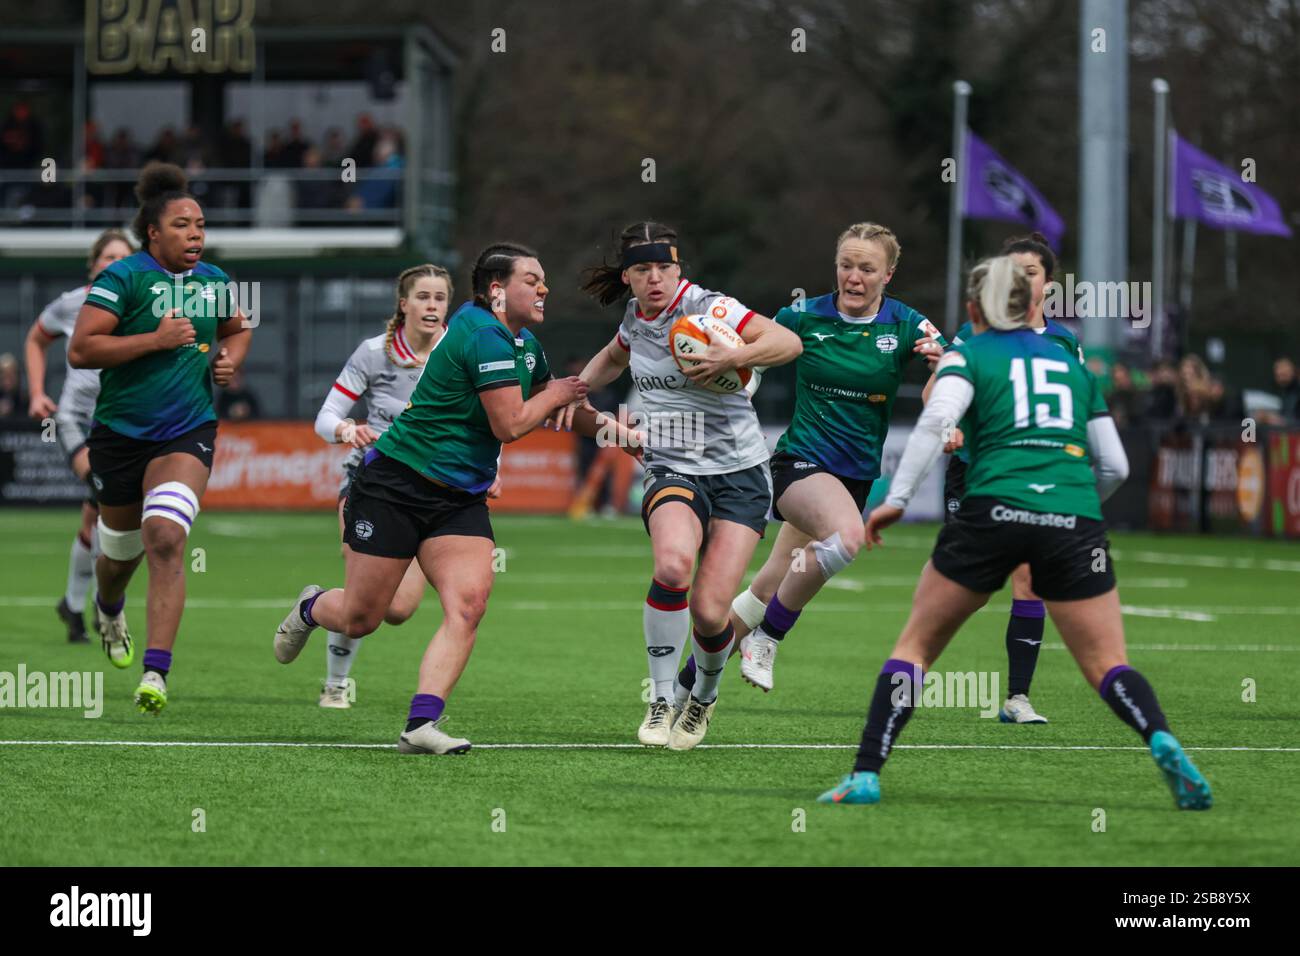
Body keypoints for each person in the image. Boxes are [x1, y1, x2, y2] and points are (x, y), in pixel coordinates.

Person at [818, 256, 1211, 811]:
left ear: (975, 309)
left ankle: (865, 775)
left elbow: (935, 422)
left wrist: (897, 501)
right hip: (1073, 521)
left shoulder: (970, 353)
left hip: (993, 510)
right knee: (1108, 664)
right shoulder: (1074, 366)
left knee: (917, 647)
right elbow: (1116, 466)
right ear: (1033, 306)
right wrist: (1073, 513)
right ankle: (1162, 739)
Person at [272, 243, 607, 755]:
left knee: (469, 604)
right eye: (532, 280)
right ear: (497, 291)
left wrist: (627, 437)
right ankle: (312, 607)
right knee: (365, 616)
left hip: (458, 499)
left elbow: (562, 409)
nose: (545, 289)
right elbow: (513, 423)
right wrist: (559, 393)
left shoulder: (524, 344)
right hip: (395, 485)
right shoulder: (483, 334)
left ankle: (420, 725)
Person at [676, 222, 943, 697]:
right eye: (846, 265)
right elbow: (748, 367)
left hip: (853, 478)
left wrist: (942, 367)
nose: (854, 277)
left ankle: (685, 689)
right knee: (846, 539)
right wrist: (727, 366)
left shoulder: (908, 324)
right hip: (799, 463)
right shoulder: (801, 316)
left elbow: (946, 390)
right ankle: (769, 638)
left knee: (764, 590)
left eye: (867, 268)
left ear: (889, 275)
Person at [569, 221, 802, 749]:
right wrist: (576, 389)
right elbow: (613, 355)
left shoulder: (708, 307)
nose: (657, 279)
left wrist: (733, 357)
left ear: (679, 269)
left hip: (740, 473)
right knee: (673, 565)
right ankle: (658, 698)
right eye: (644, 269)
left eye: (665, 267)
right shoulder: (634, 317)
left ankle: (702, 696)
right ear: (627, 276)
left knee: (711, 611)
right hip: (671, 462)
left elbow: (787, 341)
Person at [68, 162, 254, 714]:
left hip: (187, 431)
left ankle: (156, 673)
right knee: (118, 554)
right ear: (153, 232)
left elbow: (239, 328)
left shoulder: (216, 281)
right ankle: (107, 605)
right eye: (182, 224)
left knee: (167, 537)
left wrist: (230, 363)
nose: (196, 233)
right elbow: (81, 349)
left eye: (200, 224)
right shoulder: (122, 278)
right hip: (119, 436)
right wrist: (153, 339)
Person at [929, 232, 1082, 724]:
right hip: (974, 474)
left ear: (1048, 285)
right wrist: (949, 426)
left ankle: (1018, 697)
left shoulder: (1064, 342)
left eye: (1030, 273)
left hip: (1031, 477)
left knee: (1029, 579)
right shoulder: (975, 332)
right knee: (961, 590)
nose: (1019, 282)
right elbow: (936, 389)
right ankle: (907, 670)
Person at [310, 263, 454, 708]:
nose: (432, 305)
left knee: (397, 610)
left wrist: (496, 467)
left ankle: (314, 603)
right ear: (404, 303)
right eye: (423, 297)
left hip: (430, 489)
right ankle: (336, 683)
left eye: (440, 298)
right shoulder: (374, 352)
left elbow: (485, 418)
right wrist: (347, 431)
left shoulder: (459, 351)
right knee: (361, 599)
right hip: (368, 481)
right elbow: (325, 418)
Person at [23, 229, 135, 642]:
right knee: (103, 497)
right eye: (107, 257)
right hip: (76, 420)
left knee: (98, 513)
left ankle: (72, 605)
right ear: (93, 265)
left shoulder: (143, 302)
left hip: (122, 426)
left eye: (123, 257)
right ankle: (95, 605)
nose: (114, 264)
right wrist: (36, 393)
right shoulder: (74, 303)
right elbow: (36, 339)